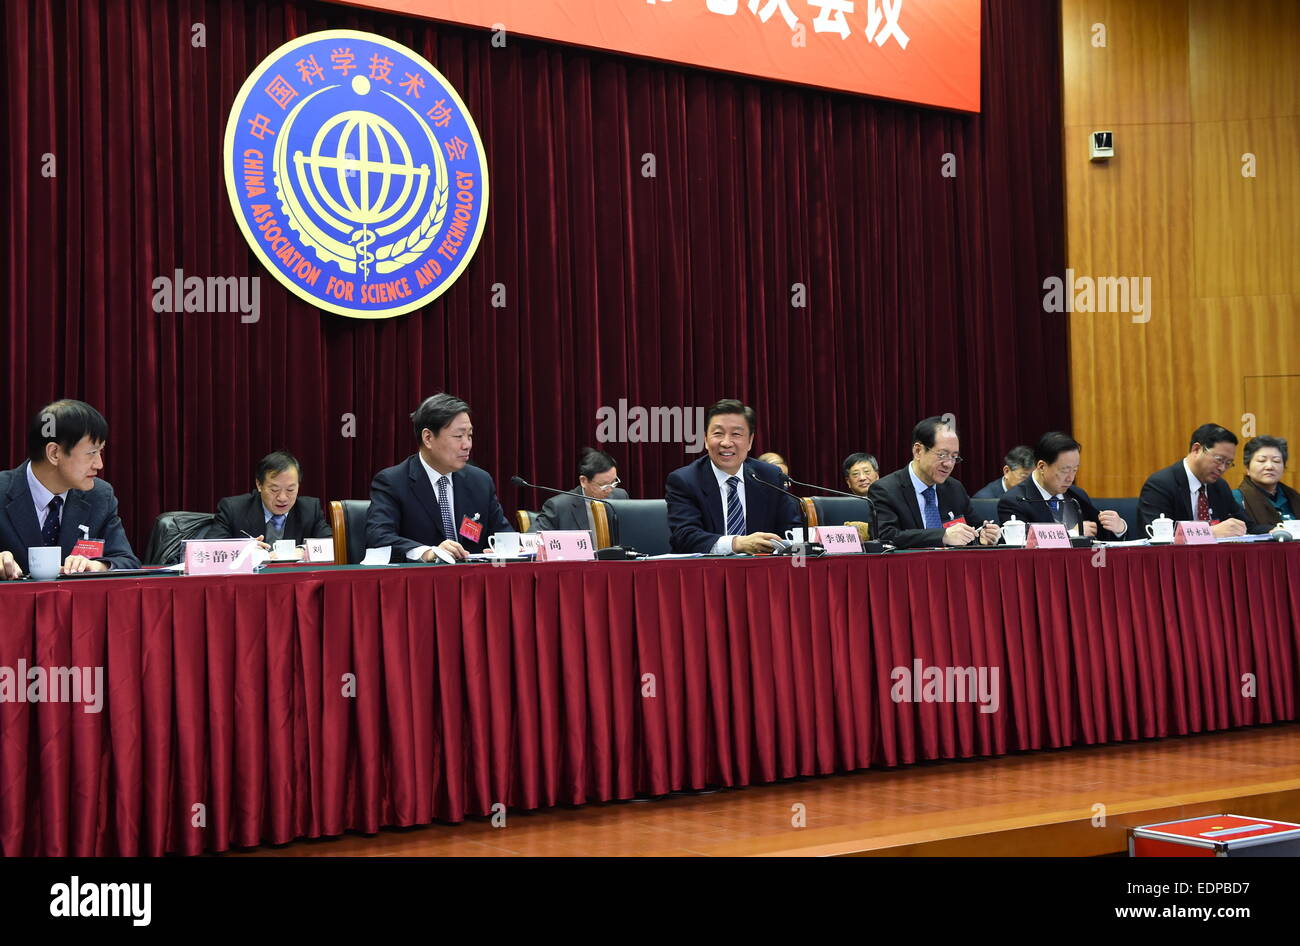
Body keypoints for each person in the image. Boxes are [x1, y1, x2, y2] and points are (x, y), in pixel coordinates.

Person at [0, 399, 140, 579]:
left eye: (101, 452)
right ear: (54, 453)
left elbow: (126, 560)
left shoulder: (99, 496)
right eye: (91, 453)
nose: (99, 464)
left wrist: (98, 566)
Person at [366, 393, 512, 562]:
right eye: (459, 436)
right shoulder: (392, 482)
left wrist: (511, 548)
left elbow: (503, 534)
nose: (467, 445)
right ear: (428, 438)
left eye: (470, 435)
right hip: (421, 583)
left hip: (474, 582)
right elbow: (378, 538)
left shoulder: (480, 481)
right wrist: (428, 552)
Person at [666, 399, 801, 554]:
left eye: (736, 434)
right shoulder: (685, 481)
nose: (726, 442)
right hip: (705, 573)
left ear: (750, 441)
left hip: (761, 572)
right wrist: (737, 543)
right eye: (718, 433)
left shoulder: (770, 477)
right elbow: (685, 538)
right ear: (705, 440)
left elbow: (791, 530)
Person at [872, 416, 1001, 549]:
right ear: (918, 451)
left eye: (954, 457)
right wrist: (942, 536)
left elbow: (976, 527)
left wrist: (985, 535)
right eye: (942, 455)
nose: (949, 464)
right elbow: (886, 536)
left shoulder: (954, 488)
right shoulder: (885, 490)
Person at [997, 432, 1129, 539]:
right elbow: (1022, 543)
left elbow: (1100, 538)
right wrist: (1070, 535)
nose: (1071, 478)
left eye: (1075, 470)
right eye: (1064, 471)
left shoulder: (1077, 495)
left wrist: (1119, 528)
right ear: (1042, 466)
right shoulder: (1014, 501)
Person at [1137, 424, 1264, 536]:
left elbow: (1249, 526)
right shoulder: (1161, 484)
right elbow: (1155, 534)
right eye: (1219, 459)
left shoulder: (1219, 486)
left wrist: (1275, 530)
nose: (1222, 468)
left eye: (1228, 463)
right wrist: (1210, 532)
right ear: (1196, 449)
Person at [209, 450, 332, 550]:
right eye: (274, 490)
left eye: (290, 490)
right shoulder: (233, 509)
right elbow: (209, 549)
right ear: (259, 485)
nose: (282, 498)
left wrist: (304, 551)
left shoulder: (310, 510)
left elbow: (332, 546)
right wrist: (243, 550)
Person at [535, 447, 630, 537]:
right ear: (583, 481)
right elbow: (534, 538)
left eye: (614, 482)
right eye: (603, 485)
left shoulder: (620, 496)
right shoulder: (559, 506)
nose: (610, 490)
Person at [1232, 435, 1299, 527]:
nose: (1269, 466)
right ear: (1247, 467)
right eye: (1261, 461)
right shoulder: (1236, 499)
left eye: (1276, 461)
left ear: (1284, 467)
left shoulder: (1294, 497)